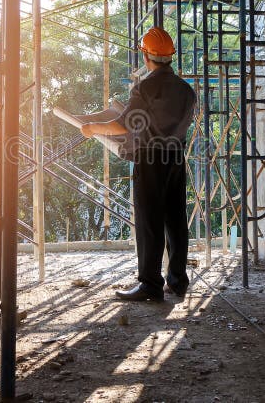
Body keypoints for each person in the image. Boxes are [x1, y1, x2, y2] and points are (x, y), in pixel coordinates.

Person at [81, 26, 196, 301]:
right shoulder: (186, 90)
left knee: (149, 221)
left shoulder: (146, 87)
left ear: (146, 56)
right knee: (175, 219)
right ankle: (177, 281)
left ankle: (150, 285)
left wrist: (92, 127)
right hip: (176, 157)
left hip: (150, 158)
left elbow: (123, 124)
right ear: (171, 56)